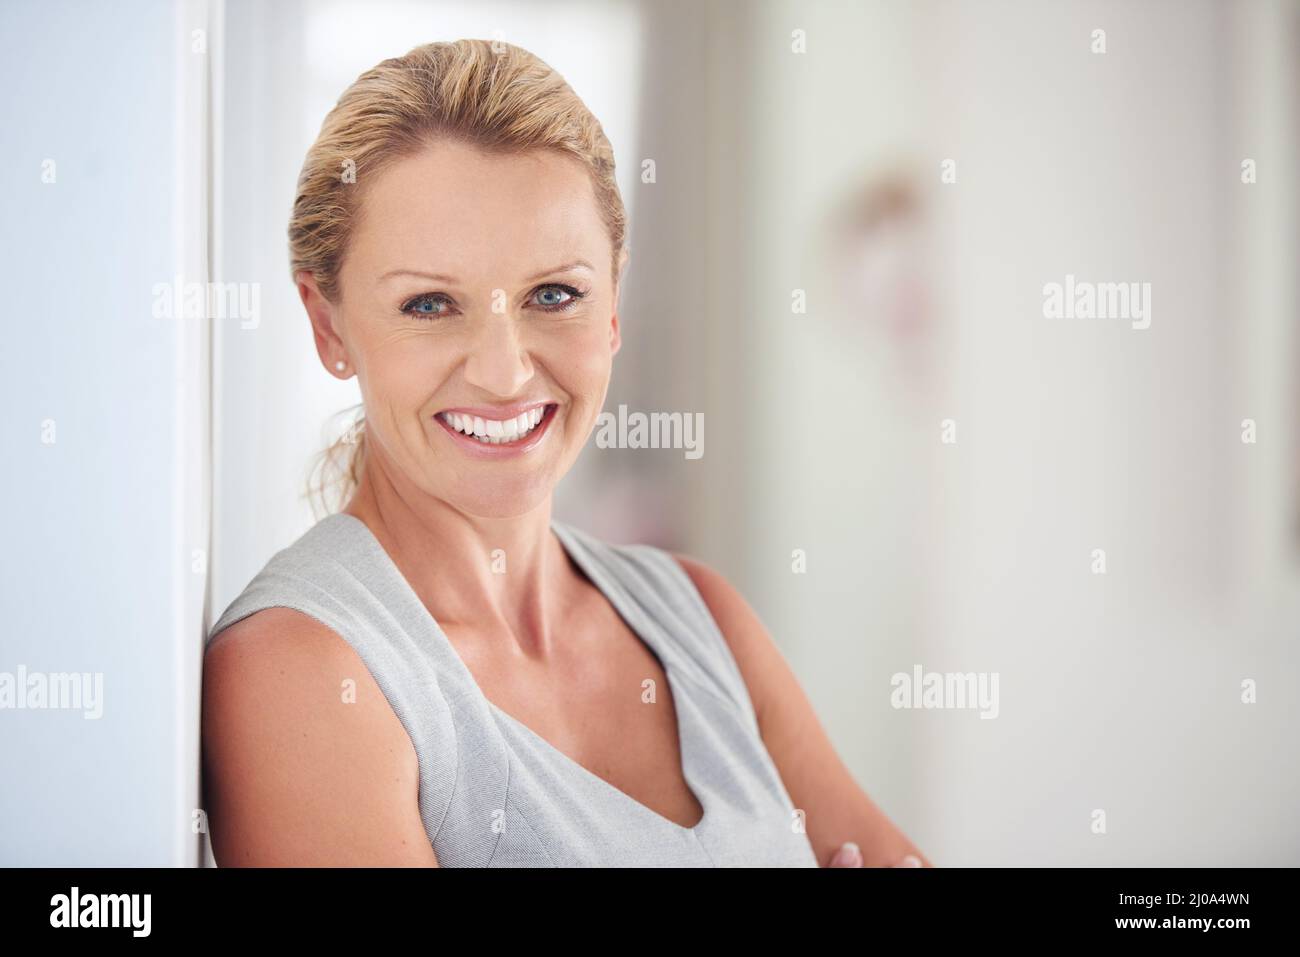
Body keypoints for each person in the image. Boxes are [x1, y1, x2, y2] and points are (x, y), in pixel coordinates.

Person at [201, 38, 932, 868]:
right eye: (430, 303)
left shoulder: (701, 616)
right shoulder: (299, 672)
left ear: (613, 306)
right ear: (329, 326)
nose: (506, 371)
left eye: (556, 294)